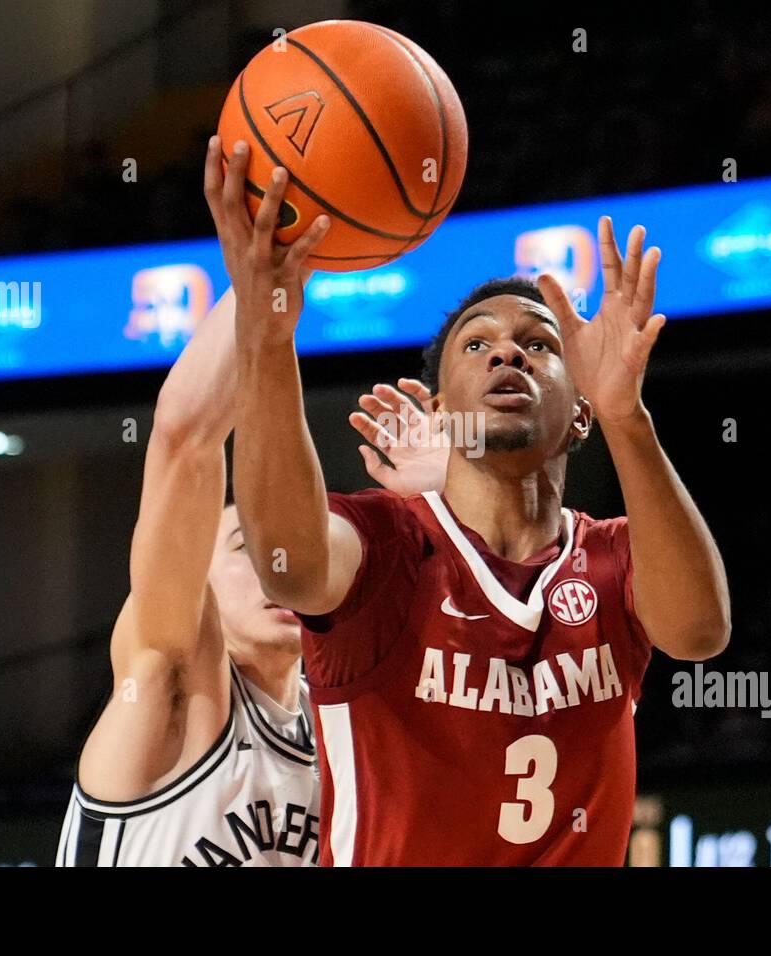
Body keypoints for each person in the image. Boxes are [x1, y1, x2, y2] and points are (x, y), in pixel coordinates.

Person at [224, 133, 732, 865]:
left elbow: (700, 633)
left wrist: (628, 415)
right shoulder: (386, 546)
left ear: (578, 412)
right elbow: (286, 563)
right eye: (477, 343)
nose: (509, 352)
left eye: (541, 344)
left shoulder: (616, 557)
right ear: (439, 410)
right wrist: (268, 338)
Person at [56, 137, 443, 866]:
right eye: (243, 549)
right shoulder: (170, 683)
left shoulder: (343, 730)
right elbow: (183, 442)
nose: (275, 568)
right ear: (193, 577)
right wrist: (265, 284)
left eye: (285, 551)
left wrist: (446, 498)